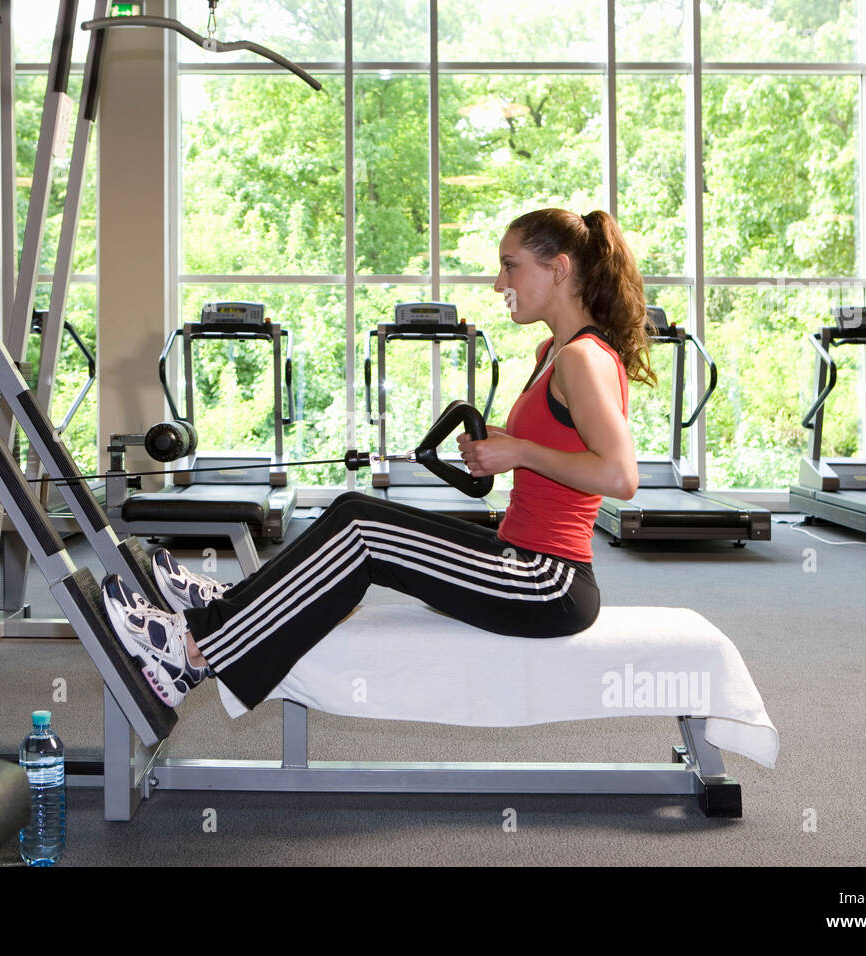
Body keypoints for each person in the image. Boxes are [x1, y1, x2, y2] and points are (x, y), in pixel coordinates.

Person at [102, 207, 657, 711]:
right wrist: (502, 444)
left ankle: (192, 654)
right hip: (517, 554)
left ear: (559, 269)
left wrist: (521, 450)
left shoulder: (583, 357)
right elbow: (562, 448)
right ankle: (232, 605)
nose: (498, 284)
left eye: (510, 267)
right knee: (354, 511)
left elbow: (619, 476)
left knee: (360, 528)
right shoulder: (552, 352)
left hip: (547, 584)